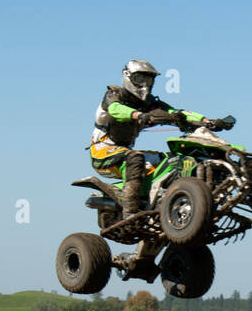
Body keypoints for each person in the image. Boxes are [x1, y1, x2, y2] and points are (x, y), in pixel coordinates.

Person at [88, 59, 227, 220]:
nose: (145, 84)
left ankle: (162, 200)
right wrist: (139, 115)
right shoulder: (115, 95)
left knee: (172, 160)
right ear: (128, 77)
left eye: (149, 80)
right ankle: (130, 210)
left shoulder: (149, 103)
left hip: (125, 151)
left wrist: (206, 121)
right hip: (102, 152)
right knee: (135, 158)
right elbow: (115, 110)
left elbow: (176, 112)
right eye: (140, 79)